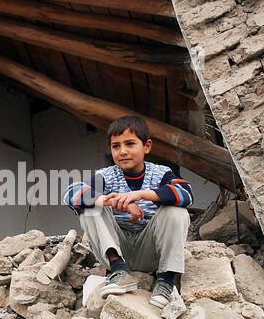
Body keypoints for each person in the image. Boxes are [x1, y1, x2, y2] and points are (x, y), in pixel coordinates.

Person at [62, 115, 193, 308]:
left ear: (147, 146)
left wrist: (141, 195)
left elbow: (186, 194)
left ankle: (166, 280)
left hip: (151, 252)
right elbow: (70, 194)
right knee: (91, 209)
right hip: (117, 250)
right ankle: (119, 272)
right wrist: (108, 201)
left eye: (130, 144)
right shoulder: (105, 176)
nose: (123, 151)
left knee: (177, 211)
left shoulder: (161, 173)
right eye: (116, 146)